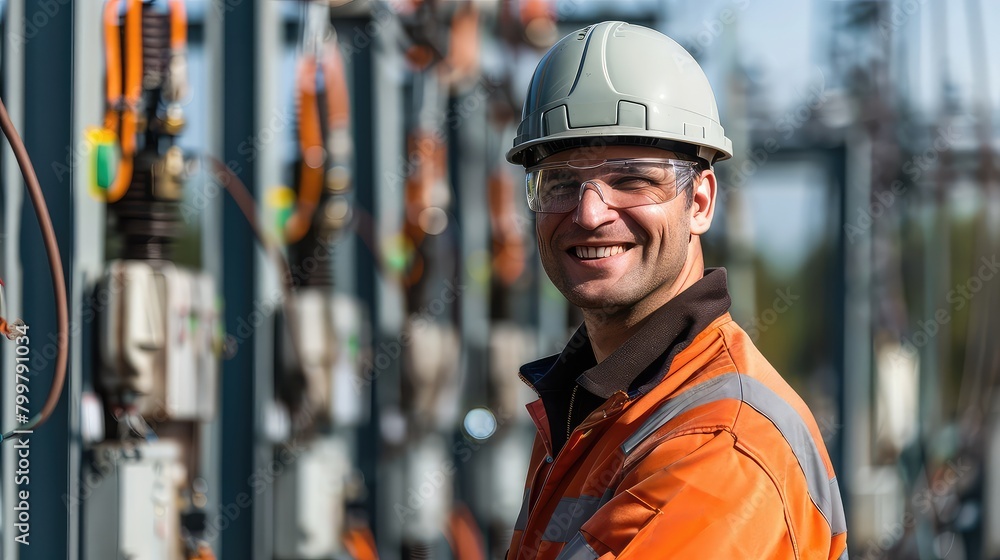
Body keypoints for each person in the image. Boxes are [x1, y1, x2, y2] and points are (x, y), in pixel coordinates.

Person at [504, 21, 848, 559]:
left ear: (700, 202)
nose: (589, 213)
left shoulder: (719, 446)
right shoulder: (595, 407)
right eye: (561, 182)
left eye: (632, 179)